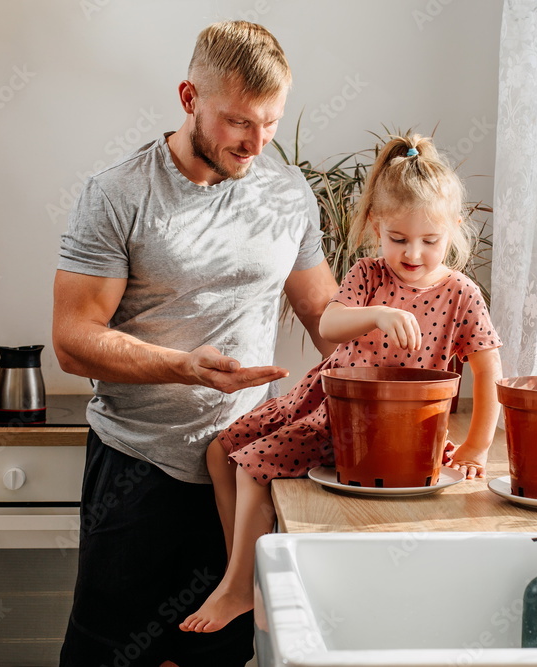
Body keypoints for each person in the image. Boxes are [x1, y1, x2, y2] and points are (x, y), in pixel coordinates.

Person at [52, 21, 338, 667]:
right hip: (136, 468)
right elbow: (72, 341)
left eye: (270, 122)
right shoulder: (119, 192)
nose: (256, 142)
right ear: (189, 97)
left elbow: (323, 311)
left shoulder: (287, 192)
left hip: (237, 479)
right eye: (239, 122)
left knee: (221, 656)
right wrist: (183, 366)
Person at [179, 134, 504, 634]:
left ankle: (241, 584)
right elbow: (329, 326)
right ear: (376, 226)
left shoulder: (462, 294)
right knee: (221, 451)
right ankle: (241, 575)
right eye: (397, 239)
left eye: (429, 241)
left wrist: (478, 446)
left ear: (454, 230)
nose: (412, 253)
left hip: (375, 425)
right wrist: (377, 311)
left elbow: (488, 372)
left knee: (251, 466)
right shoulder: (369, 275)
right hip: (327, 394)